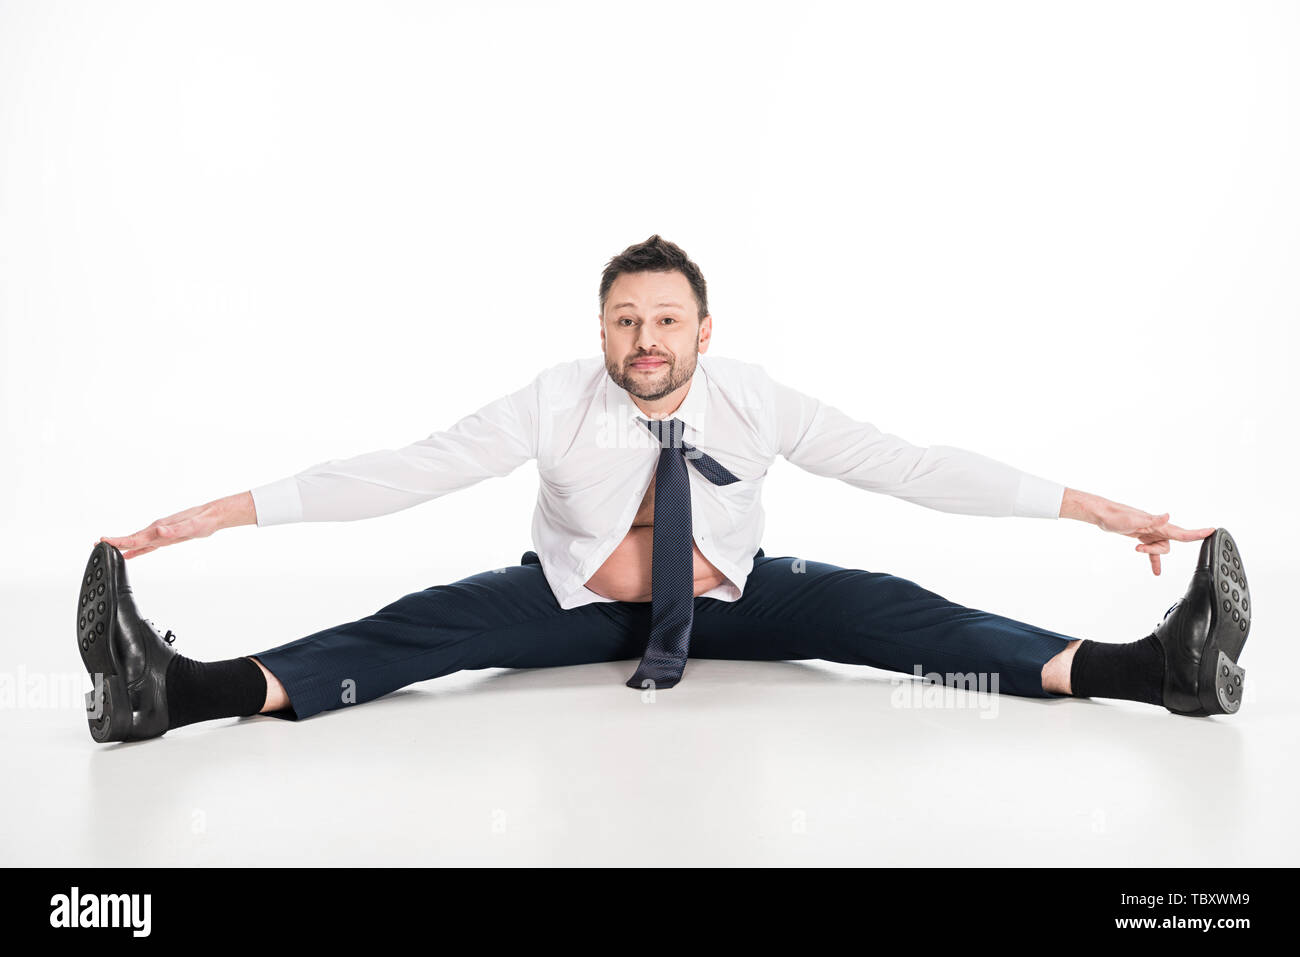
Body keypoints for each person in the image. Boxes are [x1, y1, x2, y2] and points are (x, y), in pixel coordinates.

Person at [79, 235, 1251, 743]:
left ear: (704, 329)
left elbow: (916, 466)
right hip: (571, 599)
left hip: (739, 595)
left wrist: (1111, 512)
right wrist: (200, 519)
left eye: (666, 321)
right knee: (411, 634)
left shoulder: (754, 397)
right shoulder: (552, 398)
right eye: (625, 321)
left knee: (906, 617)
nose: (646, 340)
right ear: (600, 328)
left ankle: (1159, 672)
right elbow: (394, 474)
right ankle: (171, 691)